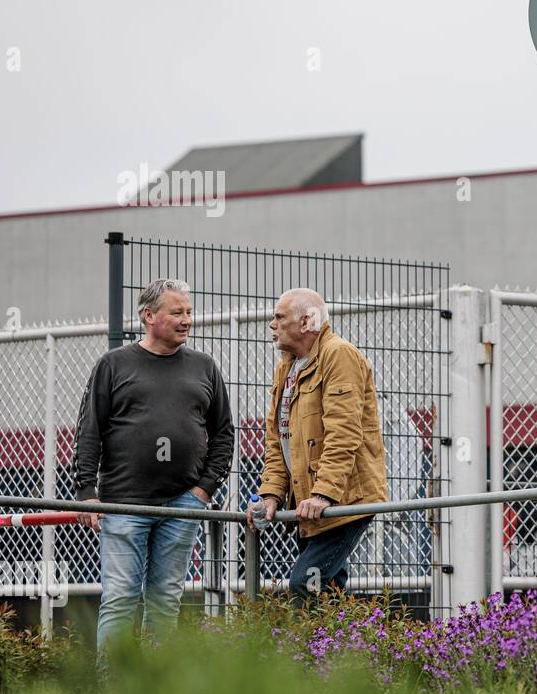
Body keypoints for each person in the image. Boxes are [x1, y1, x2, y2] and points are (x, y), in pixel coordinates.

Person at [74, 278, 234, 664]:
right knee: (121, 597)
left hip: (183, 504)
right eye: (177, 312)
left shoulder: (204, 367)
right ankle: (114, 689)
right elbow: (89, 430)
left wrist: (204, 490)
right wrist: (86, 493)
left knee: (165, 599)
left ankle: (157, 686)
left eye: (189, 312)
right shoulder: (113, 365)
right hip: (122, 503)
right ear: (149, 316)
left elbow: (225, 432)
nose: (186, 320)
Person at [246, 288, 386, 605]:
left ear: (307, 321)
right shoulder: (288, 366)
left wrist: (324, 493)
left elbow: (344, 432)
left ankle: (317, 653)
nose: (272, 324)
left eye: (279, 317)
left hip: (342, 500)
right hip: (311, 502)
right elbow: (278, 437)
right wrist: (271, 494)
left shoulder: (339, 355)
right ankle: (345, 653)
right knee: (327, 593)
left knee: (304, 585)